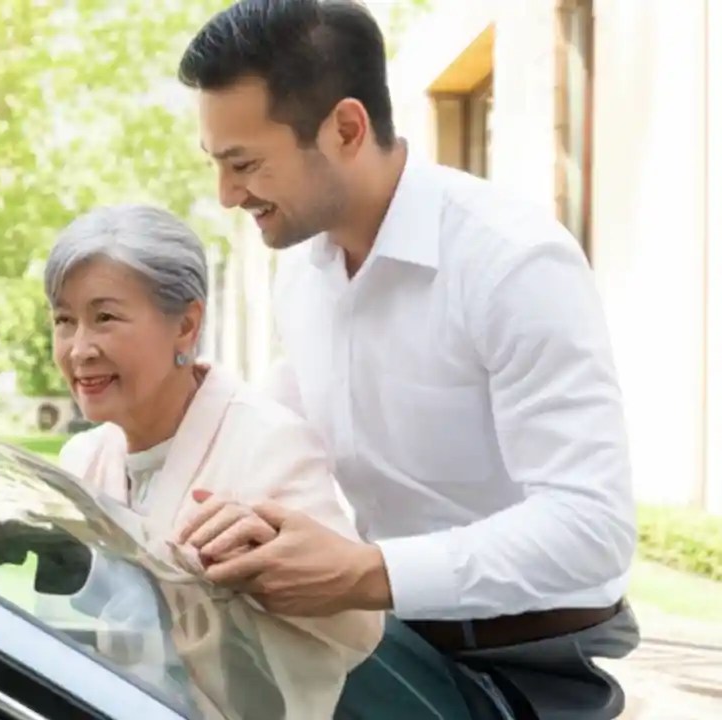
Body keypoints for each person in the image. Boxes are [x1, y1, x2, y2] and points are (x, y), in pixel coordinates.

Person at [174, 1, 640, 718]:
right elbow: (275, 432)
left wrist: (367, 572)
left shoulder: (511, 262)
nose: (228, 195)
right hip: (382, 646)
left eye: (246, 164)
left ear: (347, 129)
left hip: (530, 672)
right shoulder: (304, 273)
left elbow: (590, 532)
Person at [44, 203, 388, 719]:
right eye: (64, 321)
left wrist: (269, 568)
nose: (79, 348)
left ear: (186, 324)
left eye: (105, 317)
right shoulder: (82, 458)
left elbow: (359, 629)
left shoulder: (269, 445)